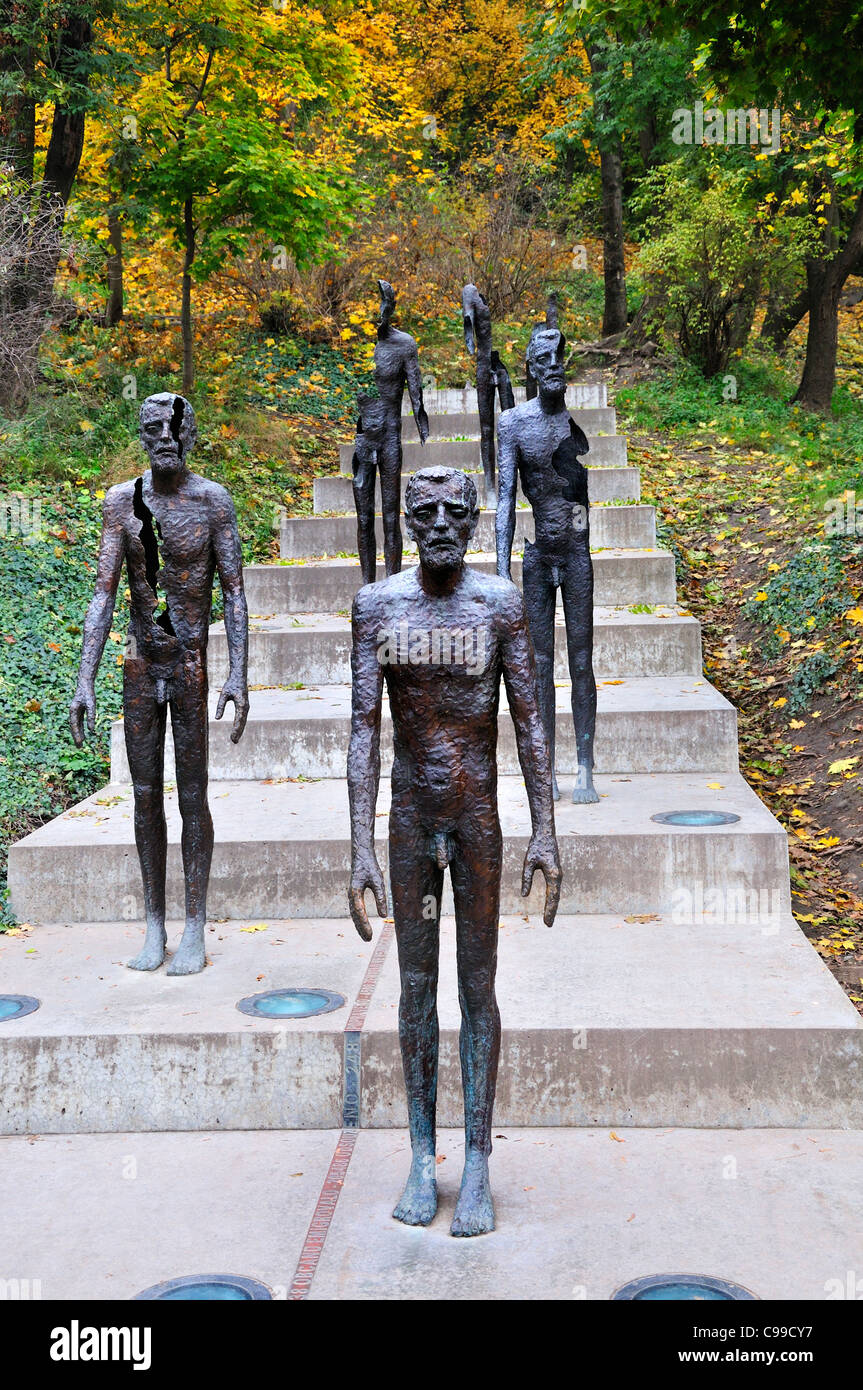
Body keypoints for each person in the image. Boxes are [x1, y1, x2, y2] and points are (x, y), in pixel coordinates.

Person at [347, 465, 561, 1236]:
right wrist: (359, 846)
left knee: (477, 987)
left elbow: (531, 719)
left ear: (473, 521)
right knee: (414, 990)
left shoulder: (500, 605)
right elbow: (363, 732)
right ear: (407, 521)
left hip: (475, 819)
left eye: (455, 512)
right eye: (425, 512)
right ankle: (417, 1156)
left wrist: (544, 828)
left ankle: (476, 1163)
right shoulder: (376, 606)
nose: (439, 523)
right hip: (410, 819)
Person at [69, 392, 249, 974]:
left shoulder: (213, 502)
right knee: (146, 798)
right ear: (143, 436)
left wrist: (239, 674)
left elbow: (235, 593)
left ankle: (194, 926)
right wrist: (84, 678)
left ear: (190, 433)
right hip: (142, 665)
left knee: (192, 795)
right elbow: (103, 594)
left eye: (175, 427)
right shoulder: (122, 503)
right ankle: (154, 923)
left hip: (191, 664)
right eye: (154, 429)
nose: (165, 437)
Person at [496, 328, 599, 803]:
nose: (556, 364)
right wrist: (501, 571)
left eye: (561, 356)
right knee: (539, 665)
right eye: (546, 358)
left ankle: (584, 766)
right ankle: (546, 769)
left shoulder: (573, 428)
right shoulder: (514, 424)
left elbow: (583, 502)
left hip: (575, 555)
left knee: (580, 661)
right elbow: (504, 501)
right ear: (534, 370)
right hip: (537, 557)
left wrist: (578, 533)